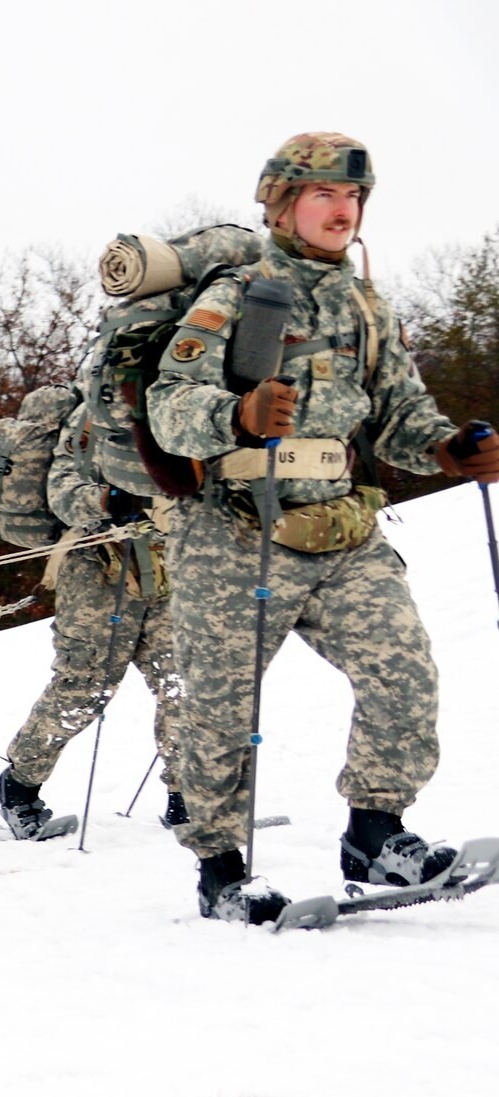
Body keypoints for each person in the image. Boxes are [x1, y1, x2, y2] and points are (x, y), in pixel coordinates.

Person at [147, 131, 499, 922]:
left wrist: (448, 446)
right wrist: (233, 411)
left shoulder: (367, 303)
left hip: (343, 529)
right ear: (282, 203)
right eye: (324, 196)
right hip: (238, 530)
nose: (343, 211)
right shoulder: (236, 295)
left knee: (406, 675)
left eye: (353, 198)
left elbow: (402, 413)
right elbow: (168, 409)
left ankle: (376, 831)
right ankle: (221, 868)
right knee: (223, 709)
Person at [0, 400, 186, 837]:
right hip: (97, 569)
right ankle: (20, 785)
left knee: (183, 684)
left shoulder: (179, 407)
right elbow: (61, 492)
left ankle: (189, 798)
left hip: (166, 564)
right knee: (85, 687)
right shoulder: (90, 417)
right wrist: (107, 498)